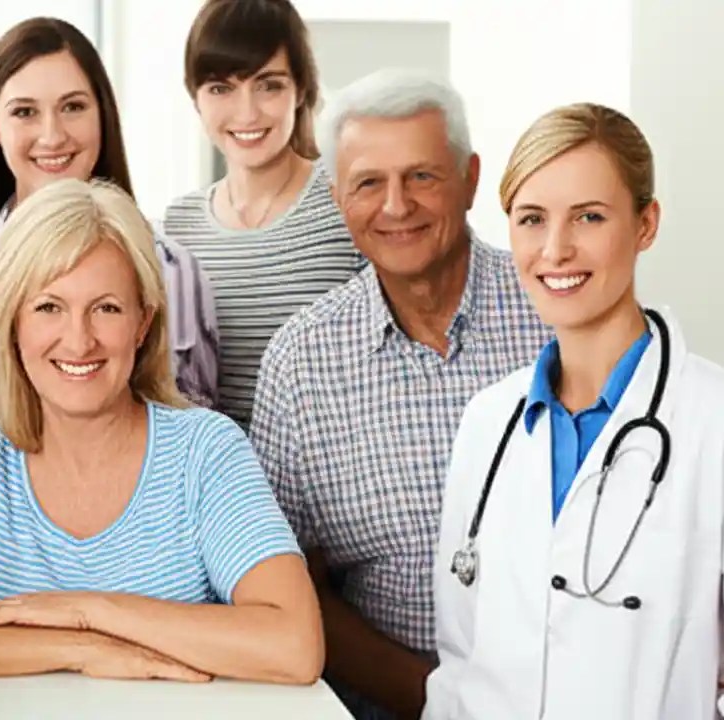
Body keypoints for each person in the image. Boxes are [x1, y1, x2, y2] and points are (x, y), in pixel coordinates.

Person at [0, 178, 322, 684]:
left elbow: (294, 646)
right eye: (49, 307)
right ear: (13, 322)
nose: (79, 340)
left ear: (142, 324)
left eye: (107, 308)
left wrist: (90, 610)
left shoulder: (207, 449)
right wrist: (78, 648)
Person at [424, 103, 724, 719]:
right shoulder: (488, 422)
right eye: (531, 219)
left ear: (645, 224)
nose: (555, 249)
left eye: (589, 217)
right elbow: (459, 668)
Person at [249, 69, 551, 719]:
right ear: (337, 198)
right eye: (368, 183)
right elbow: (288, 586)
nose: (396, 206)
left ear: (470, 180)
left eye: (422, 176)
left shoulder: (554, 315)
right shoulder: (301, 364)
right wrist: (435, 701)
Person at [0, 17, 219, 408]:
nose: (53, 135)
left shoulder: (174, 272)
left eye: (73, 107)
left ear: (103, 116)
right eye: (25, 112)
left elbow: (201, 428)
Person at [161, 0, 362, 428]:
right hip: (218, 482)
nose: (247, 112)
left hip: (331, 478)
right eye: (220, 88)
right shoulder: (179, 226)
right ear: (195, 97)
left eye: (268, 85)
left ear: (301, 89)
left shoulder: (348, 200)